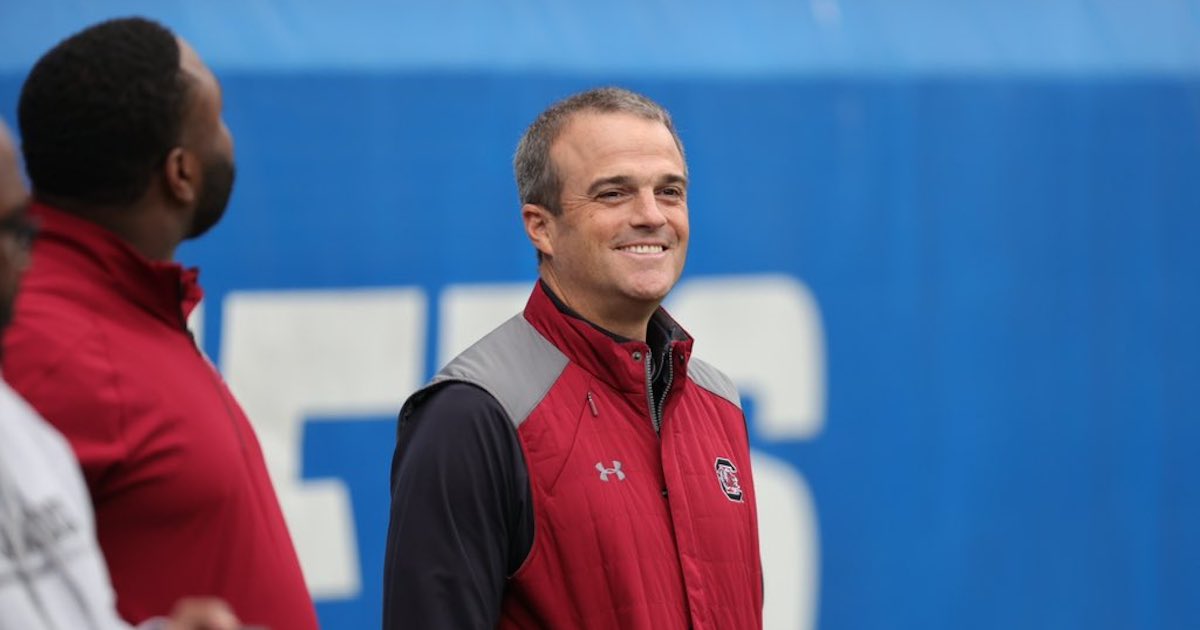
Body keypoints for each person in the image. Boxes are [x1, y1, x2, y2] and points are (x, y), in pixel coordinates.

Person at [383, 87, 764, 629]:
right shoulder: (473, 414)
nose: (651, 215)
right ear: (541, 227)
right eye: (614, 194)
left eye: (670, 191)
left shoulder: (717, 403)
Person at [2, 18, 318, 630]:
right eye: (218, 118)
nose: (228, 140)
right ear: (180, 173)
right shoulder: (46, 346)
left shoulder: (124, 306)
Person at [0, 120, 244, 630]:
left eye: (23, 230)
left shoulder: (26, 432)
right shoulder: (52, 368)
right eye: (11, 229)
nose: (19, 258)